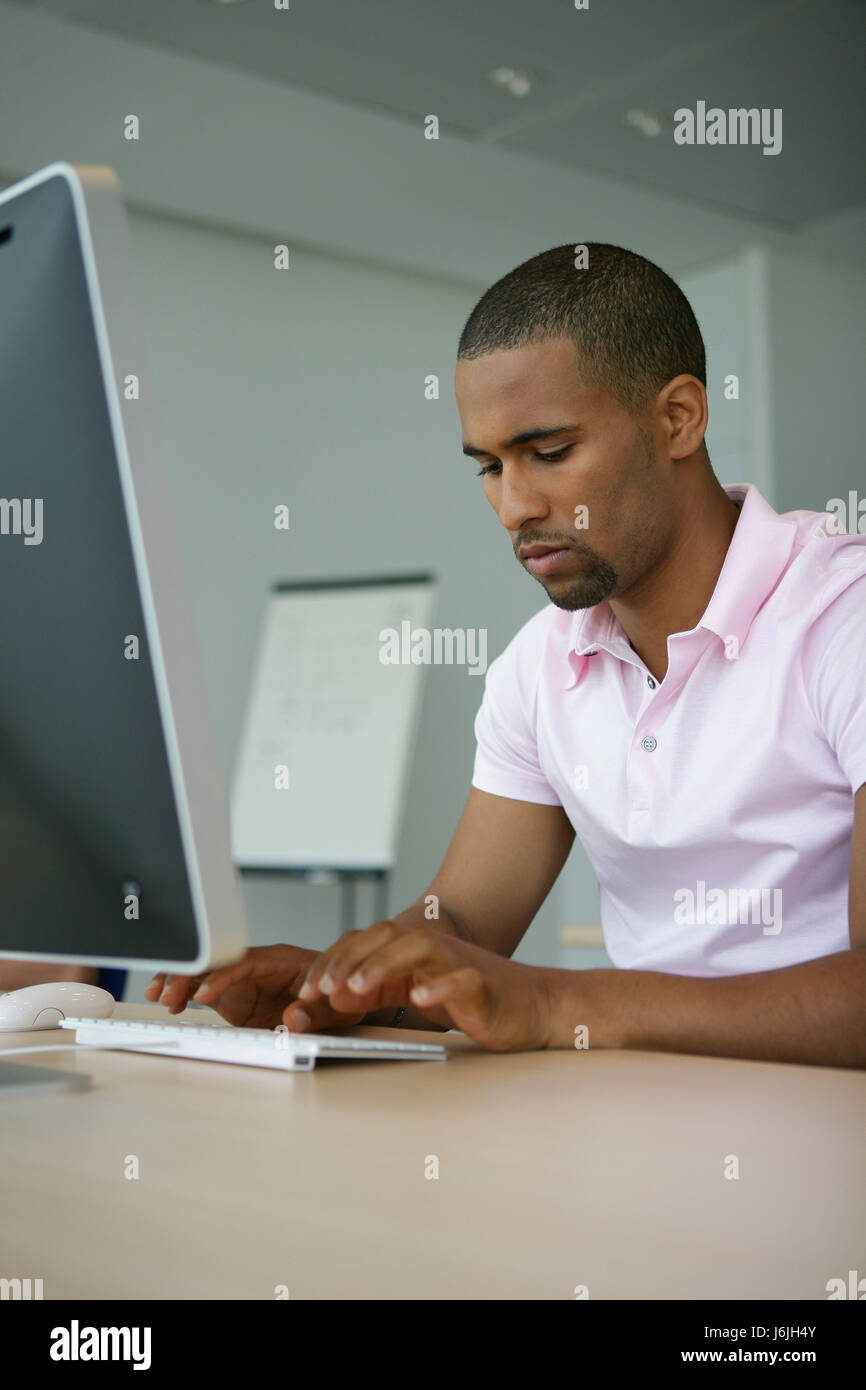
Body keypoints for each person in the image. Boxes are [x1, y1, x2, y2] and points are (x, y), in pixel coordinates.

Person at [147, 242, 866, 1068]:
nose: (514, 508)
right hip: (643, 1120)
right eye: (489, 466)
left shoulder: (844, 618)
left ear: (679, 419)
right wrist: (346, 985)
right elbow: (460, 928)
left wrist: (559, 1000)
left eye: (550, 453)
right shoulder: (539, 666)